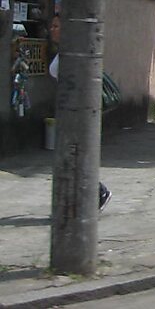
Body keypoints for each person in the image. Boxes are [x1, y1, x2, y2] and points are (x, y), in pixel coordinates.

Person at [48, 15, 111, 211]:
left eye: (56, 26)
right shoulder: (64, 52)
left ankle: (98, 192)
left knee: (76, 156)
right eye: (52, 26)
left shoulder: (73, 52)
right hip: (69, 112)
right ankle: (86, 197)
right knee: (73, 157)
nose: (52, 29)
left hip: (78, 114)